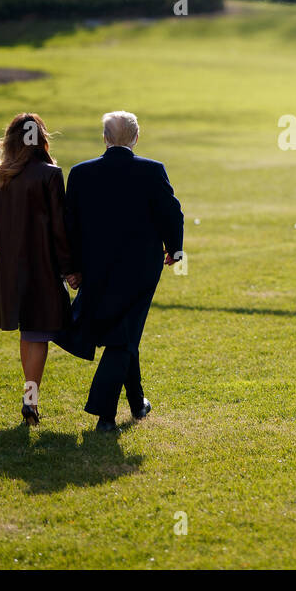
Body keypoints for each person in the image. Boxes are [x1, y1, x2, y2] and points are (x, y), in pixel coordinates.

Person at [65, 110, 183, 432]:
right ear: (135, 137)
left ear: (104, 138)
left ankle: (137, 402)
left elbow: (69, 226)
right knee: (124, 335)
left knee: (126, 331)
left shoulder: (80, 173)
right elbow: (172, 213)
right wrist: (175, 250)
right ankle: (105, 415)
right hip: (140, 268)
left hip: (96, 268)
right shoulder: (152, 170)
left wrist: (72, 268)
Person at [0, 112, 76, 426]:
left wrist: (0, 244)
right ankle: (30, 400)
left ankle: (30, 398)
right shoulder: (50, 174)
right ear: (41, 139)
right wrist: (69, 269)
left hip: (9, 269)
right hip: (42, 267)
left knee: (29, 332)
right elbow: (59, 229)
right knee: (37, 333)